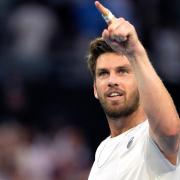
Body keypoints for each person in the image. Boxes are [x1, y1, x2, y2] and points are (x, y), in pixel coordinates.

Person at [87, 1, 180, 180]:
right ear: (95, 89)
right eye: (104, 73)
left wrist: (135, 51)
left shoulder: (152, 138)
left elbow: (170, 131)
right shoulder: (102, 150)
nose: (112, 81)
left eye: (122, 71)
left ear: (141, 84)